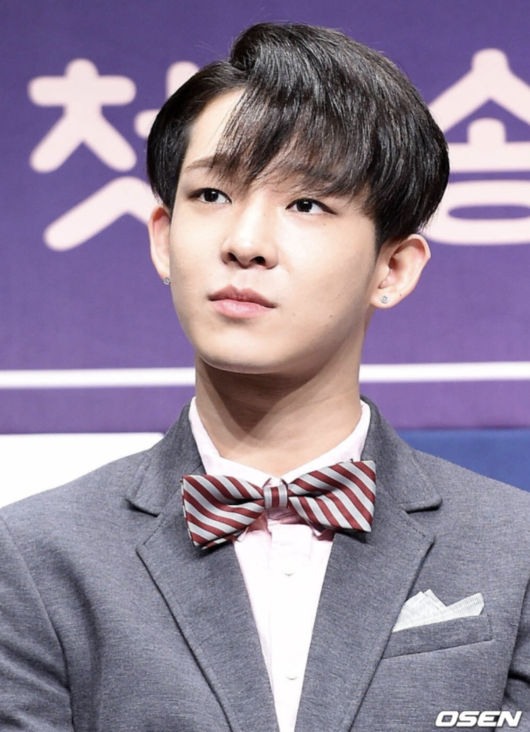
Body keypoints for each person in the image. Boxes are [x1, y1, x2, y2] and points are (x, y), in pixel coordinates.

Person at [1, 21, 530, 732]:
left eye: (306, 204)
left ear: (393, 268)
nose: (245, 242)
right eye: (211, 195)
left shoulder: (515, 550)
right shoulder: (35, 557)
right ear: (163, 238)